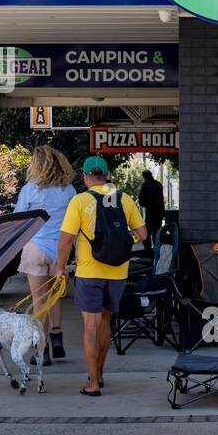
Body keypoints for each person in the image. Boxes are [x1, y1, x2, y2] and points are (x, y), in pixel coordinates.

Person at [54, 156, 147, 397]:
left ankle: (93, 382)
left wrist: (61, 268)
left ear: (85, 177)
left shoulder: (79, 201)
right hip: (117, 273)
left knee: (90, 326)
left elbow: (65, 240)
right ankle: (101, 374)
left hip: (89, 273)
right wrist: (127, 240)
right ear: (107, 175)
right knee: (105, 322)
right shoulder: (124, 199)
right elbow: (143, 234)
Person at [13, 146, 77, 363]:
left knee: (39, 301)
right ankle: (56, 334)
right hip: (60, 250)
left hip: (35, 248)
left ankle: (42, 349)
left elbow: (19, 219)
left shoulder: (29, 190)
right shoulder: (68, 190)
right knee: (54, 296)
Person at [137, 169, 165, 240]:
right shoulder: (158, 184)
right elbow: (161, 199)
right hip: (159, 212)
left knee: (148, 231)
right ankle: (157, 248)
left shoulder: (145, 185)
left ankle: (148, 249)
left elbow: (141, 199)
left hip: (150, 212)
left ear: (144, 177)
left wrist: (143, 203)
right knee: (157, 232)